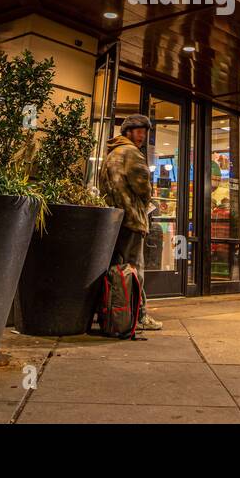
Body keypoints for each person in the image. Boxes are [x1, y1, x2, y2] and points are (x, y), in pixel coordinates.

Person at [100, 114, 162, 331]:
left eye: (144, 132)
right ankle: (139, 315)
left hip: (113, 220)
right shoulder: (132, 153)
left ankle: (116, 313)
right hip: (132, 220)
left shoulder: (110, 154)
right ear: (127, 132)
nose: (142, 136)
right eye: (138, 131)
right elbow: (143, 188)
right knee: (135, 270)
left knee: (117, 269)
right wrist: (145, 204)